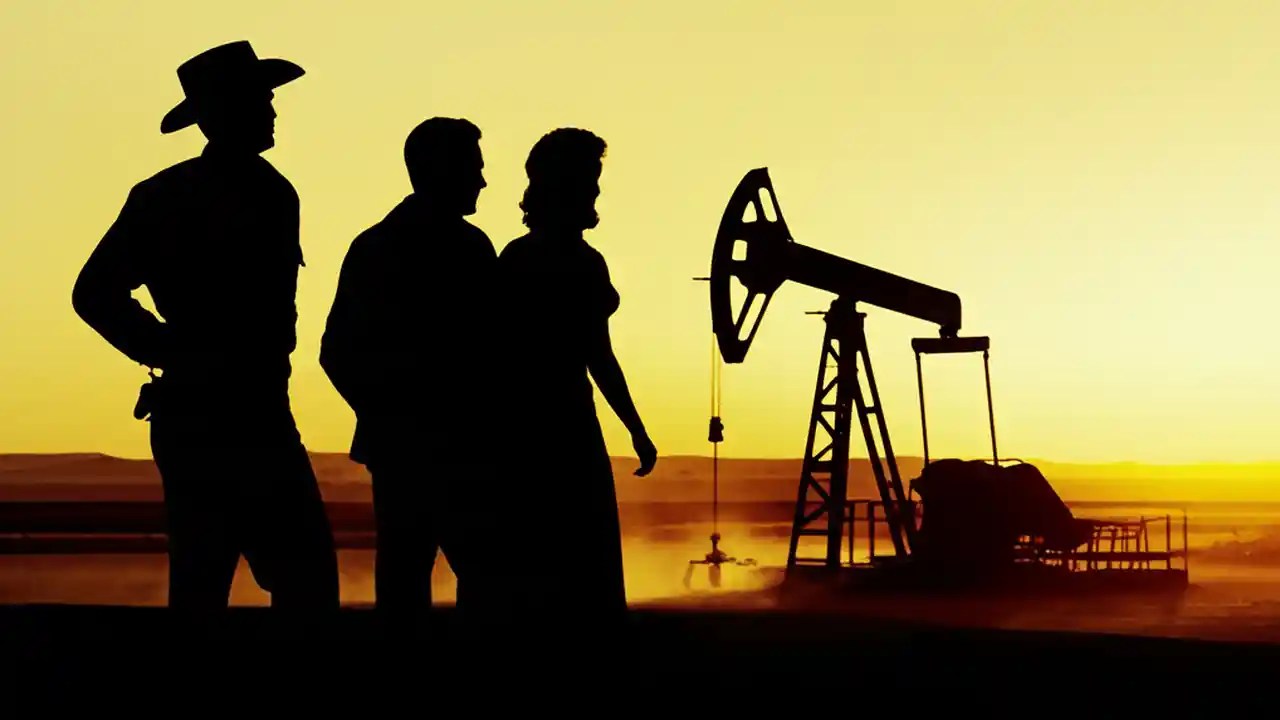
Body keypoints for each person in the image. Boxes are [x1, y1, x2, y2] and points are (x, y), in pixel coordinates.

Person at [71, 41, 339, 613]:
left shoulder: (270, 192)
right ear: (224, 112)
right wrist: (171, 349)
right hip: (211, 415)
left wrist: (171, 351)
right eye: (261, 100)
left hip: (252, 408)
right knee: (235, 578)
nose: (272, 111)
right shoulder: (167, 197)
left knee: (268, 578)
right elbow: (93, 293)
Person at [319, 117, 497, 627]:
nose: (482, 182)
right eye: (474, 169)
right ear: (442, 170)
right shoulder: (467, 249)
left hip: (406, 444)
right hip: (452, 444)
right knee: (476, 572)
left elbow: (336, 351)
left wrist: (382, 414)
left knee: (405, 573)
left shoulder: (377, 246)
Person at [497, 127, 657, 628]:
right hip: (557, 432)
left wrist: (634, 426)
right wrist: (634, 427)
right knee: (578, 571)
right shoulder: (576, 264)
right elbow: (598, 355)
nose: (596, 194)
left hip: (534, 431)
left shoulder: (519, 259)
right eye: (590, 183)